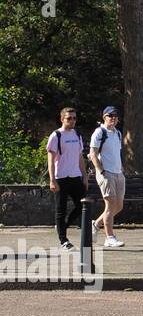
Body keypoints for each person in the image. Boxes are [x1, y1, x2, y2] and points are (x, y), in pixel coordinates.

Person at [45, 107, 88, 253]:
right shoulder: (56, 135)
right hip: (61, 177)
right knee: (60, 210)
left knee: (83, 206)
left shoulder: (77, 134)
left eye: (74, 118)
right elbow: (50, 160)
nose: (72, 121)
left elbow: (79, 156)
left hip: (75, 176)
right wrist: (52, 180)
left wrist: (85, 176)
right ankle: (63, 240)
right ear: (62, 119)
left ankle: (63, 226)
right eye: (69, 118)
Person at [88, 107, 126, 248]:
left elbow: (117, 153)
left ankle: (96, 224)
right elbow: (93, 153)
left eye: (116, 116)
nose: (113, 118)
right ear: (104, 117)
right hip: (106, 172)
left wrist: (121, 169)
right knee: (110, 205)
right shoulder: (99, 132)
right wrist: (101, 171)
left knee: (119, 206)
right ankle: (109, 237)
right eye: (110, 115)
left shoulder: (118, 134)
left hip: (118, 173)